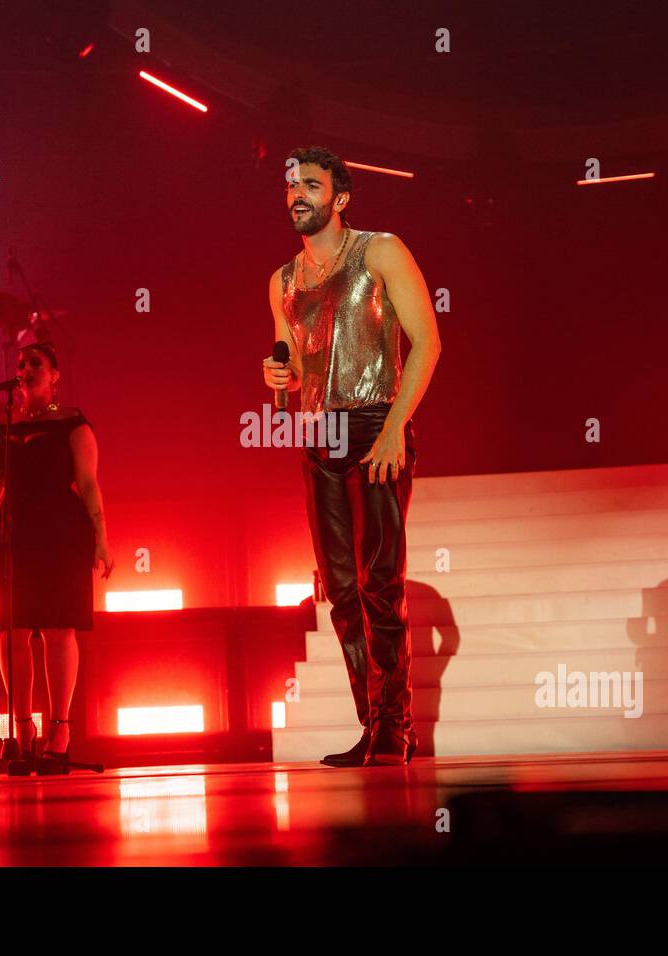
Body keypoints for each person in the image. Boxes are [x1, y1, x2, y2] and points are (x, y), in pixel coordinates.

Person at [263, 146, 441, 766]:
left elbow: (427, 342)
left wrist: (396, 427)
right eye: (290, 186)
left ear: (339, 198)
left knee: (377, 581)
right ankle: (372, 726)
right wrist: (275, 378)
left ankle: (397, 727)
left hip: (372, 424)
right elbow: (288, 370)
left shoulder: (380, 250)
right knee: (340, 589)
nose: (296, 194)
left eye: (309, 184)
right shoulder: (281, 280)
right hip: (317, 433)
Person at [0, 341, 113, 768]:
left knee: (56, 629)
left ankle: (60, 728)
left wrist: (103, 537)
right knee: (9, 632)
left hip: (61, 532)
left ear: (54, 377)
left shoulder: (73, 423)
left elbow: (88, 483)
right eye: (20, 364)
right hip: (12, 534)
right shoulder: (2, 424)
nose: (25, 369)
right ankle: (21, 726)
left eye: (35, 364)